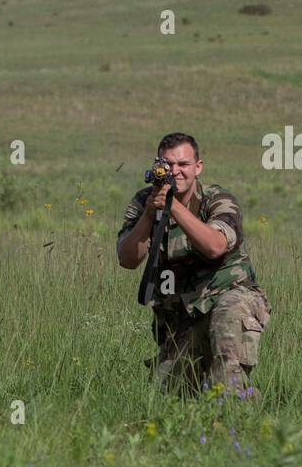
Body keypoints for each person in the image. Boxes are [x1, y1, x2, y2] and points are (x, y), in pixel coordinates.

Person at [116, 132, 270, 394]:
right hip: (182, 318)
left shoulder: (218, 199)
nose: (175, 172)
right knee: (166, 397)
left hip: (227, 297)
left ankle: (234, 415)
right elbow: (128, 259)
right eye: (168, 165)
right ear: (156, 167)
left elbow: (215, 246)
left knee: (228, 319)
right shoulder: (144, 201)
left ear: (198, 167)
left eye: (183, 165)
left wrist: (173, 206)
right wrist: (151, 213)